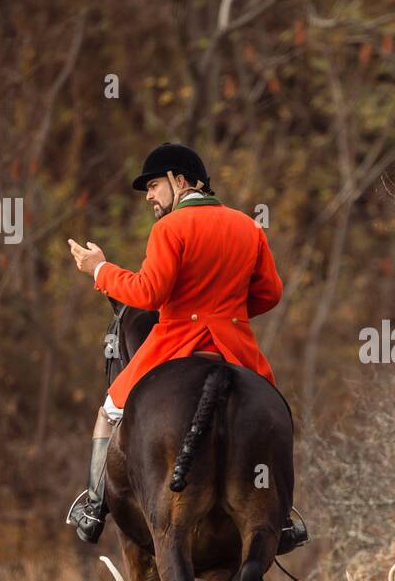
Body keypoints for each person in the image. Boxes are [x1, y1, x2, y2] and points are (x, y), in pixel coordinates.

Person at [64, 142, 302, 549]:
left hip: (175, 343)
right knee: (276, 416)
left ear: (180, 180)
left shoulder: (170, 229)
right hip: (235, 348)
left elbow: (148, 292)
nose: (151, 197)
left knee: (107, 412)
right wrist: (228, 310)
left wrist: (100, 269)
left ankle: (93, 506)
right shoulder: (248, 226)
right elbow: (270, 293)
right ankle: (282, 520)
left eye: (154, 186)